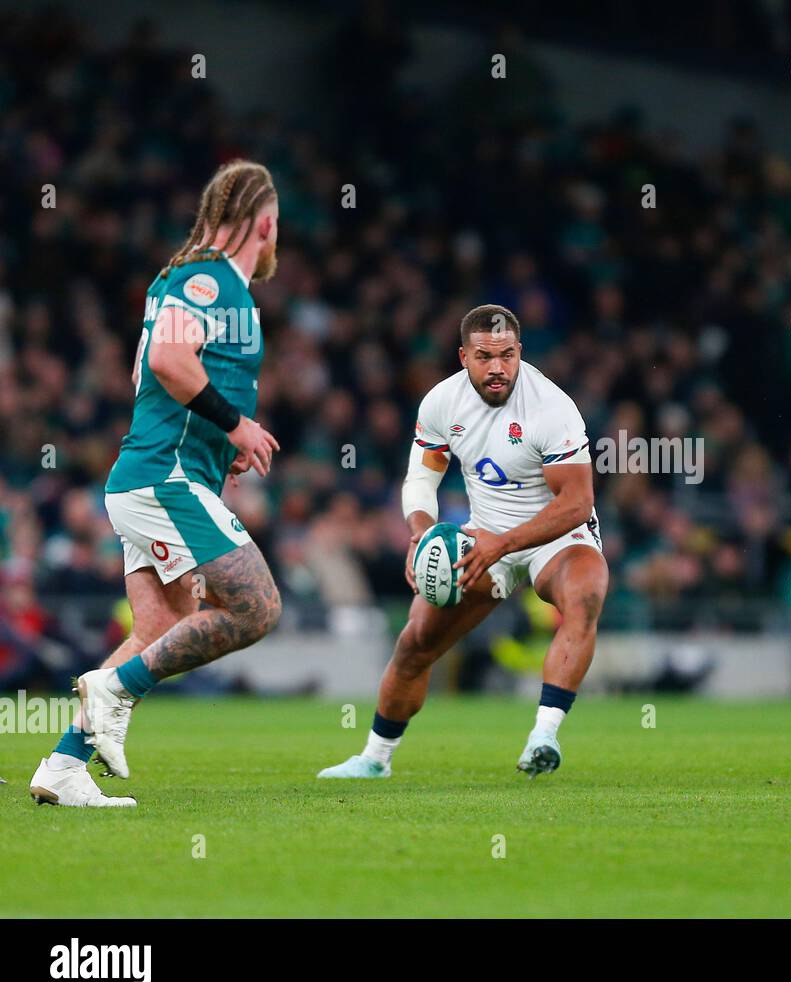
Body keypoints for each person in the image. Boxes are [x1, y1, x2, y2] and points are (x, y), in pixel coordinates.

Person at [30, 161, 283, 808]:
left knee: (162, 625)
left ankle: (63, 766)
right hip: (163, 480)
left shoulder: (205, 282)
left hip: (161, 477)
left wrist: (219, 442)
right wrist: (236, 426)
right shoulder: (207, 279)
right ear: (264, 224)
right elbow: (169, 360)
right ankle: (113, 689)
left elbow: (155, 375)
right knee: (256, 607)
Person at [318, 304, 607, 780]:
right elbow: (421, 478)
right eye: (484, 356)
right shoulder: (441, 403)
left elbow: (577, 503)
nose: (497, 368)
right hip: (484, 535)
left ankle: (544, 736)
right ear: (463, 356)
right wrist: (420, 534)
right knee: (416, 642)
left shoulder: (552, 408)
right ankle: (374, 758)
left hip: (555, 534)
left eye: (507, 355)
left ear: (520, 352)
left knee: (586, 594)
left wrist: (505, 544)